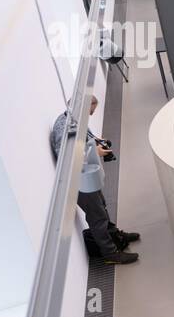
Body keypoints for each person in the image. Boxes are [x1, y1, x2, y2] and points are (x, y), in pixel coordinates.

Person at [50, 96, 140, 265]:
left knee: (102, 206)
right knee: (97, 216)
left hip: (86, 175)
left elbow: (85, 140)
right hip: (77, 181)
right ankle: (110, 254)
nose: (91, 116)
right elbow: (67, 158)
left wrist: (98, 141)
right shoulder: (64, 128)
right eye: (90, 112)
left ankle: (115, 235)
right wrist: (94, 152)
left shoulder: (75, 119)